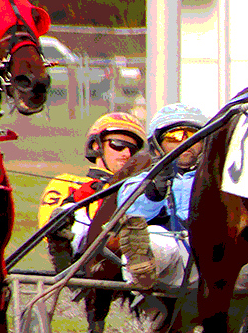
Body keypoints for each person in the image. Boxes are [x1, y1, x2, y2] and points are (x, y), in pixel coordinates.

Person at [115, 103, 208, 295]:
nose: (184, 143)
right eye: (173, 137)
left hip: (217, 258)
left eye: (192, 136)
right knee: (153, 235)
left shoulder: (220, 179)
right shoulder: (139, 182)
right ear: (157, 145)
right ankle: (142, 267)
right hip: (172, 262)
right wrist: (154, 193)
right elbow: (130, 214)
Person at [41, 112, 146, 267]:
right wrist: (80, 197)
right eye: (118, 145)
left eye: (133, 149)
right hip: (81, 257)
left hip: (131, 252)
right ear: (96, 146)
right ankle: (64, 250)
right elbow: (46, 228)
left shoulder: (141, 188)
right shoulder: (68, 183)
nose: (127, 154)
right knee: (66, 214)